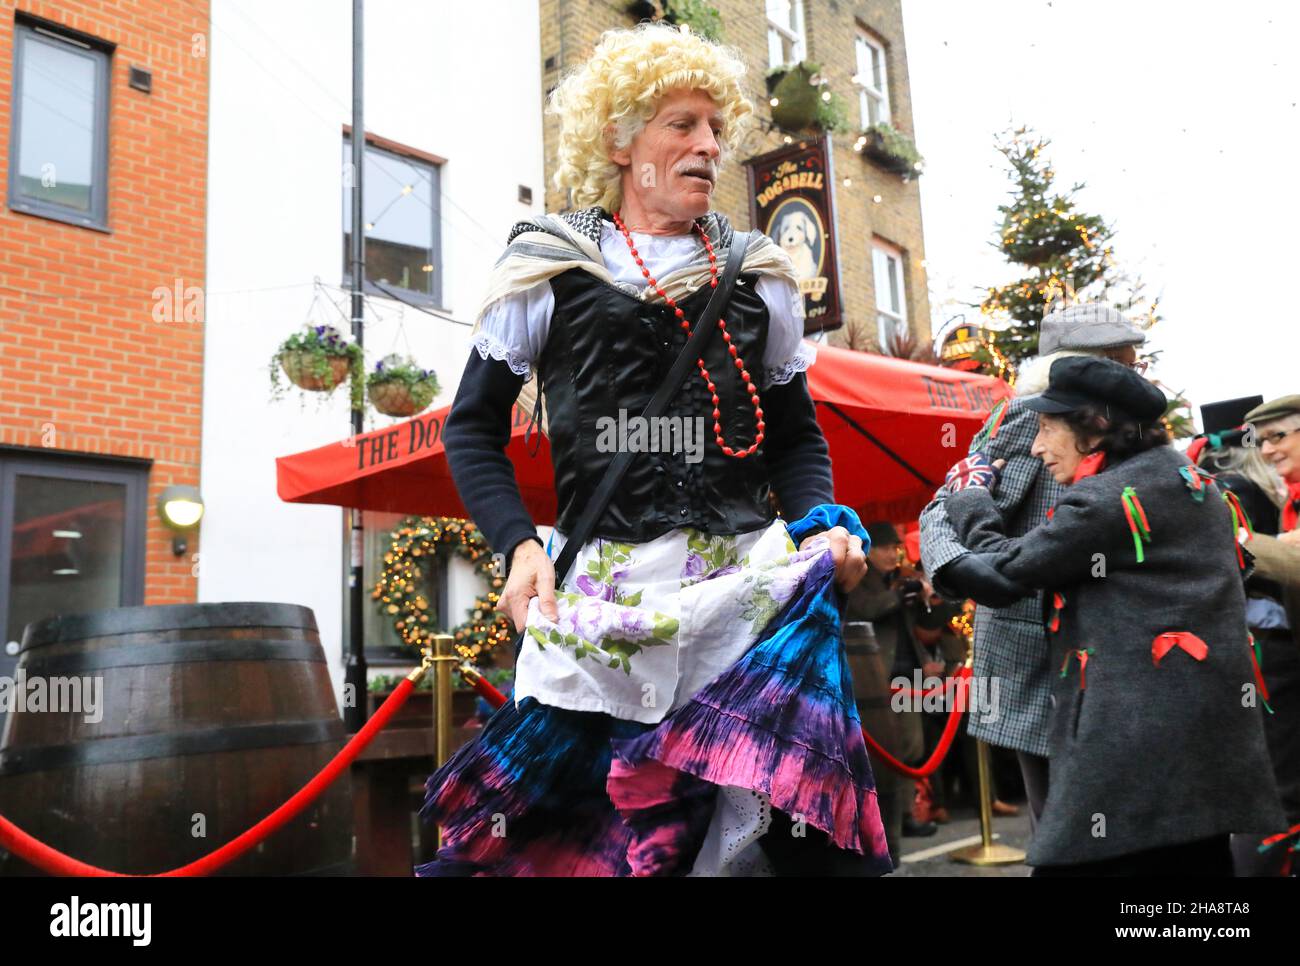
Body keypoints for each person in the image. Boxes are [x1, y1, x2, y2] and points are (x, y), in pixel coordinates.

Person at [416, 22, 891, 877]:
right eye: (682, 124)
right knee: (586, 844)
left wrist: (821, 522)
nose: (708, 145)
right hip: (602, 600)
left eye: (715, 126)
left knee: (786, 853)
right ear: (619, 140)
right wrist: (519, 547)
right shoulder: (548, 266)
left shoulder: (762, 277)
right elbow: (473, 429)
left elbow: (794, 436)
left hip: (744, 594)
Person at [942, 356, 1286, 874]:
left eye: (1045, 428)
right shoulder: (1193, 483)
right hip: (1200, 752)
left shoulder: (1106, 501)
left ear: (1096, 427)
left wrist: (968, 493)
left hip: (1129, 757)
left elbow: (1005, 569)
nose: (1035, 447)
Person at [919, 303, 1150, 835]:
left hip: (1101, 647)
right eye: (1126, 364)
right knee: (1066, 829)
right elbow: (950, 498)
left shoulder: (1129, 426)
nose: (1137, 376)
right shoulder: (1030, 416)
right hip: (1043, 650)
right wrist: (960, 567)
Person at [843, 522, 936, 864]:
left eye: (895, 548)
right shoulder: (860, 578)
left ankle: (906, 815)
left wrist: (925, 598)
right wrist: (899, 595)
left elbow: (922, 625)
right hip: (875, 677)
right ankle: (889, 826)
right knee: (887, 755)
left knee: (911, 749)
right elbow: (867, 609)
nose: (892, 554)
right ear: (868, 549)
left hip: (908, 673)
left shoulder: (897, 579)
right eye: (884, 548)